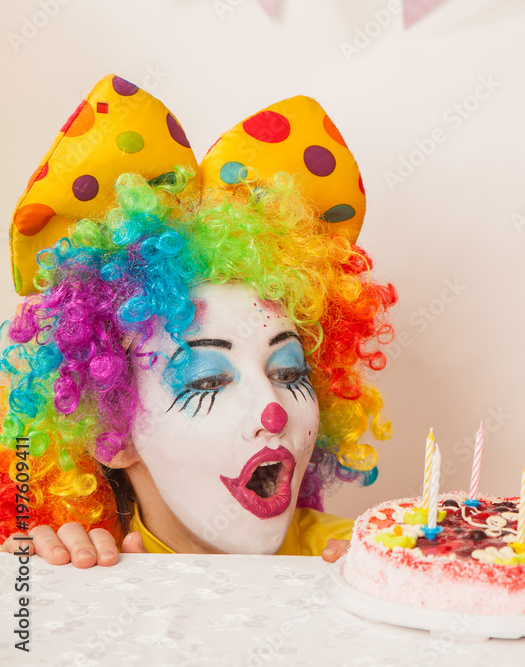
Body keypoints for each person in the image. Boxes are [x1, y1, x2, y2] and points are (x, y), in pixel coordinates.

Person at [0, 76, 395, 567]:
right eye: (207, 378)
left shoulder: (374, 559)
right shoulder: (76, 567)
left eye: (290, 373)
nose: (273, 410)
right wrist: (33, 587)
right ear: (112, 433)